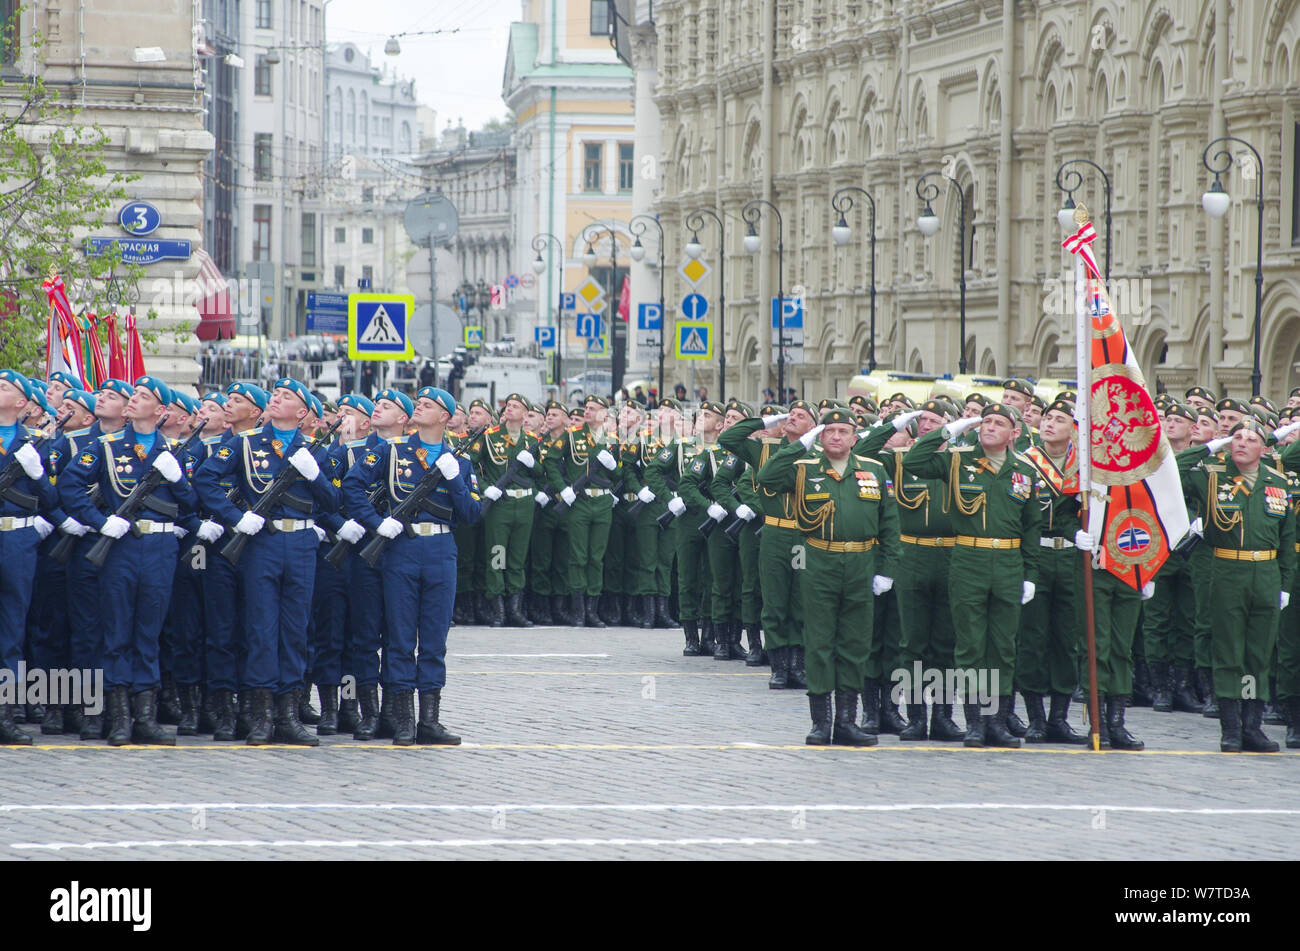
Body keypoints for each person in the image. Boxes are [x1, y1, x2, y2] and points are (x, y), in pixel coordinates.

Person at [192, 378, 339, 746]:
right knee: (260, 628)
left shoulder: (315, 449)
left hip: (302, 542)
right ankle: (261, 716)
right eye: (275, 394)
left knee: (294, 630)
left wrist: (315, 475)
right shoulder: (244, 442)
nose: (277, 398)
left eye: (287, 396)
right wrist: (234, 517)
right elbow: (206, 480)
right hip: (262, 541)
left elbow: (333, 501)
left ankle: (288, 714)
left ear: (303, 412)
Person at [59, 376, 198, 746]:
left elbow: (191, 502)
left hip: (159, 548)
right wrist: (100, 521)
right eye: (133, 395)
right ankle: (119, 717)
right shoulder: (106, 446)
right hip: (120, 546)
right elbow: (70, 485)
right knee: (117, 629)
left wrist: (178, 480)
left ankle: (145, 717)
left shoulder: (174, 452)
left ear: (162, 411)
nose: (134, 400)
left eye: (143, 396)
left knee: (148, 631)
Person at [342, 386, 481, 745]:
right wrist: (376, 523)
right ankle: (403, 719)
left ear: (445, 417)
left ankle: (430, 721)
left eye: (429, 405)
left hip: (441, 549)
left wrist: (455, 480)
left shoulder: (460, 461)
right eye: (418, 403)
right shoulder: (391, 450)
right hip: (402, 547)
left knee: (434, 639)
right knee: (402, 637)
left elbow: (470, 514)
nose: (420, 407)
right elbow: (353, 487)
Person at [756, 408, 900, 746]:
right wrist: (798, 446)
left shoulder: (874, 470)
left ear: (854, 437)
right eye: (829, 431)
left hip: (862, 561)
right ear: (820, 437)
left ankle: (848, 721)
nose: (836, 436)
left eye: (843, 431)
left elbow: (890, 524)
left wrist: (887, 570)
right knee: (819, 642)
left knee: (855, 643)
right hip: (819, 559)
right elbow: (766, 478)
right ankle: (821, 722)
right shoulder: (803, 470)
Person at [904, 402, 1042, 748]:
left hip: (1009, 561)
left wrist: (1030, 573)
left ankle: (997, 721)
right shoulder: (958, 460)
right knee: (970, 647)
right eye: (986, 421)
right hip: (969, 558)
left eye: (999, 423)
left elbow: (1032, 527)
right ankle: (975, 723)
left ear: (1015, 433)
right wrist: (949, 430)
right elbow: (914, 461)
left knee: (1002, 648)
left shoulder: (1024, 471)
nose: (990, 426)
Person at [1181, 418, 1295, 752]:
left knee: (1257, 655)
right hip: (1228, 568)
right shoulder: (1211, 476)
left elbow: (1288, 538)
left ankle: (1252, 725)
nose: (1242, 443)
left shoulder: (1278, 481)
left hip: (1267, 571)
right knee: (1229, 651)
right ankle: (1230, 727)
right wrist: (1209, 446)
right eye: (1236, 438)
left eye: (1250, 439)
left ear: (1264, 448)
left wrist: (1285, 583)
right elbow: (1173, 467)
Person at [717, 399, 818, 687]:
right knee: (773, 600)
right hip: (774, 534)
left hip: (803, 535)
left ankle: (799, 665)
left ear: (813, 425)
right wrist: (765, 422)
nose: (793, 418)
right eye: (791, 414)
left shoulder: (819, 451)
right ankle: (778, 666)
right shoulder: (765, 449)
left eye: (801, 415)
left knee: (799, 600)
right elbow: (728, 438)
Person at [0, 371, 61, 744]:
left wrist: (38, 473)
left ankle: (4, 714)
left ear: (23, 403)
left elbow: (52, 501)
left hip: (17, 539)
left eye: (5, 387)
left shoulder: (35, 443)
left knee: (12, 628)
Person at [543, 395, 621, 627]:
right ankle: (578, 611)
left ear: (604, 414)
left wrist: (613, 465)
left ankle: (592, 610)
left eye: (593, 408)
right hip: (579, 502)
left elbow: (619, 475)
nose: (587, 411)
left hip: (603, 503)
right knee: (578, 556)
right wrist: (562, 489)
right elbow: (551, 462)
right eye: (586, 408)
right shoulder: (572, 434)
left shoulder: (612, 439)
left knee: (596, 558)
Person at [469, 393, 541, 627]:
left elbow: (542, 472)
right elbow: (469, 465)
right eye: (508, 405)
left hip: (524, 504)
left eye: (516, 406)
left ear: (525, 413)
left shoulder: (531, 440)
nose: (509, 409)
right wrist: (485, 488)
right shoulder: (489, 437)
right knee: (497, 555)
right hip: (500, 505)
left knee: (518, 558)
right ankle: (498, 609)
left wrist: (533, 464)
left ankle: (515, 609)